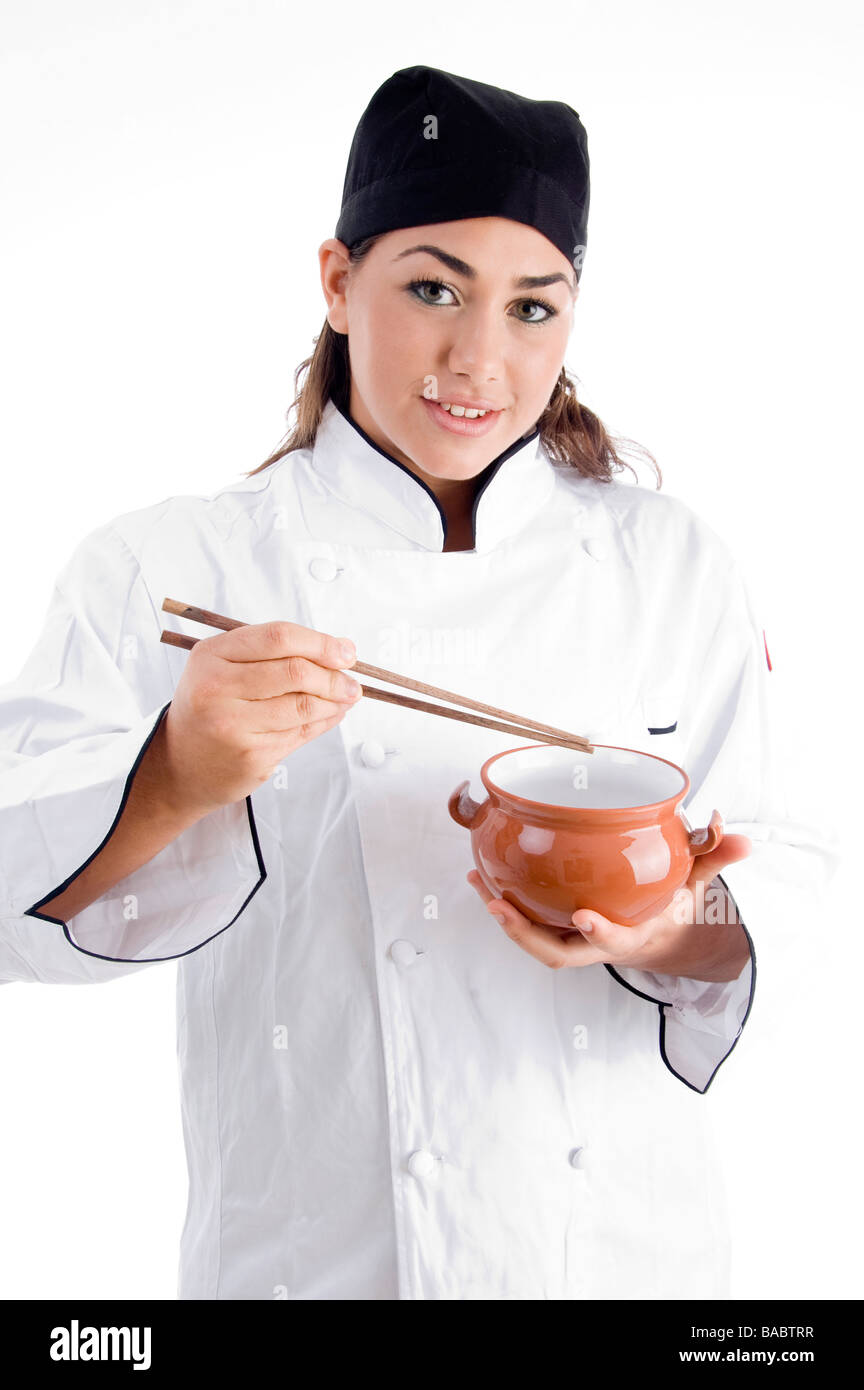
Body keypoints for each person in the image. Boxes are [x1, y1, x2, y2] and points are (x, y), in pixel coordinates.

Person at [0, 65, 835, 1301]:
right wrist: (174, 778)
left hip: (624, 1266)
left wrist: (672, 931)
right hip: (309, 1265)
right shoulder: (168, 565)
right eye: (432, 288)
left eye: (534, 308)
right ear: (339, 284)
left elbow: (793, 886)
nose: (480, 357)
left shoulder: (671, 564)